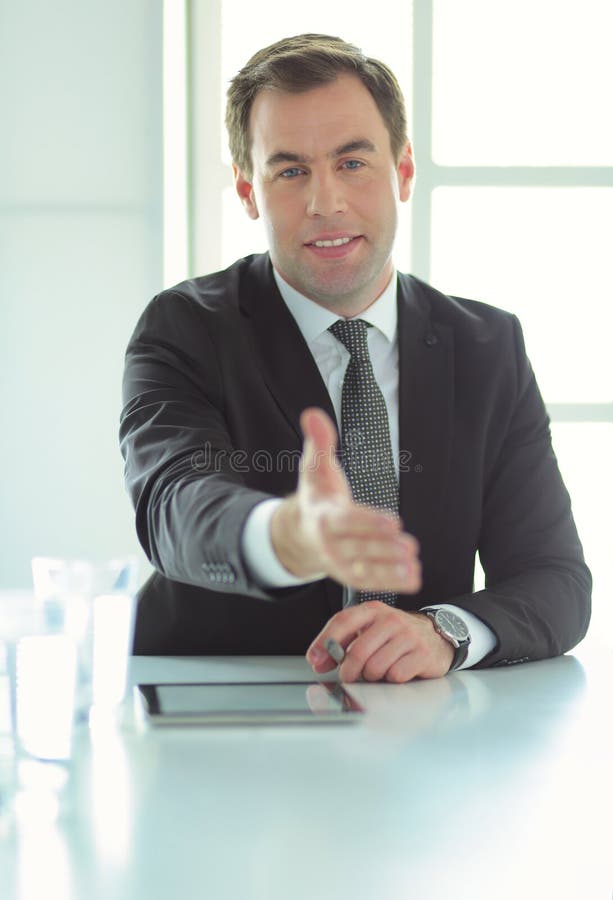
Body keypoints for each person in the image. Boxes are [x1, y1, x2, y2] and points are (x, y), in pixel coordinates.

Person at [119, 34, 591, 682]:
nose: (325, 203)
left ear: (401, 170)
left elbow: (554, 580)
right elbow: (171, 503)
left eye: (351, 163)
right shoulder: (184, 328)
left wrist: (444, 631)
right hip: (217, 701)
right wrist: (285, 535)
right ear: (248, 191)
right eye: (289, 171)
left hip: (422, 718)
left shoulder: (488, 347)